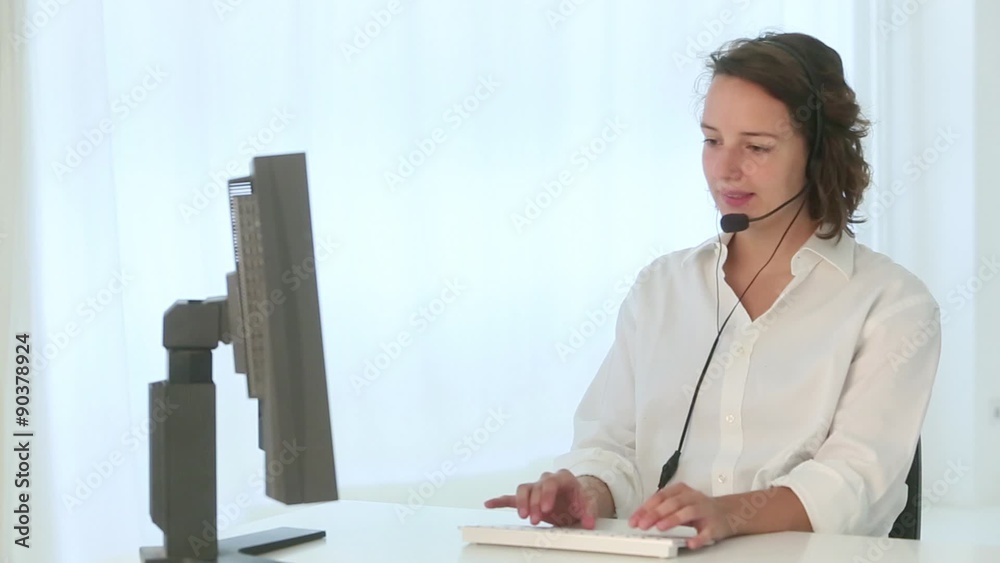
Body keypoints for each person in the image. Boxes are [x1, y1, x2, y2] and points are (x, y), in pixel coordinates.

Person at [484, 31, 941, 550]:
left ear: (819, 155)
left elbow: (857, 484)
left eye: (757, 146)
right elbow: (612, 447)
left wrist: (728, 514)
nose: (725, 168)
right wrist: (588, 491)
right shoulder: (662, 288)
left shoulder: (891, 303)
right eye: (712, 140)